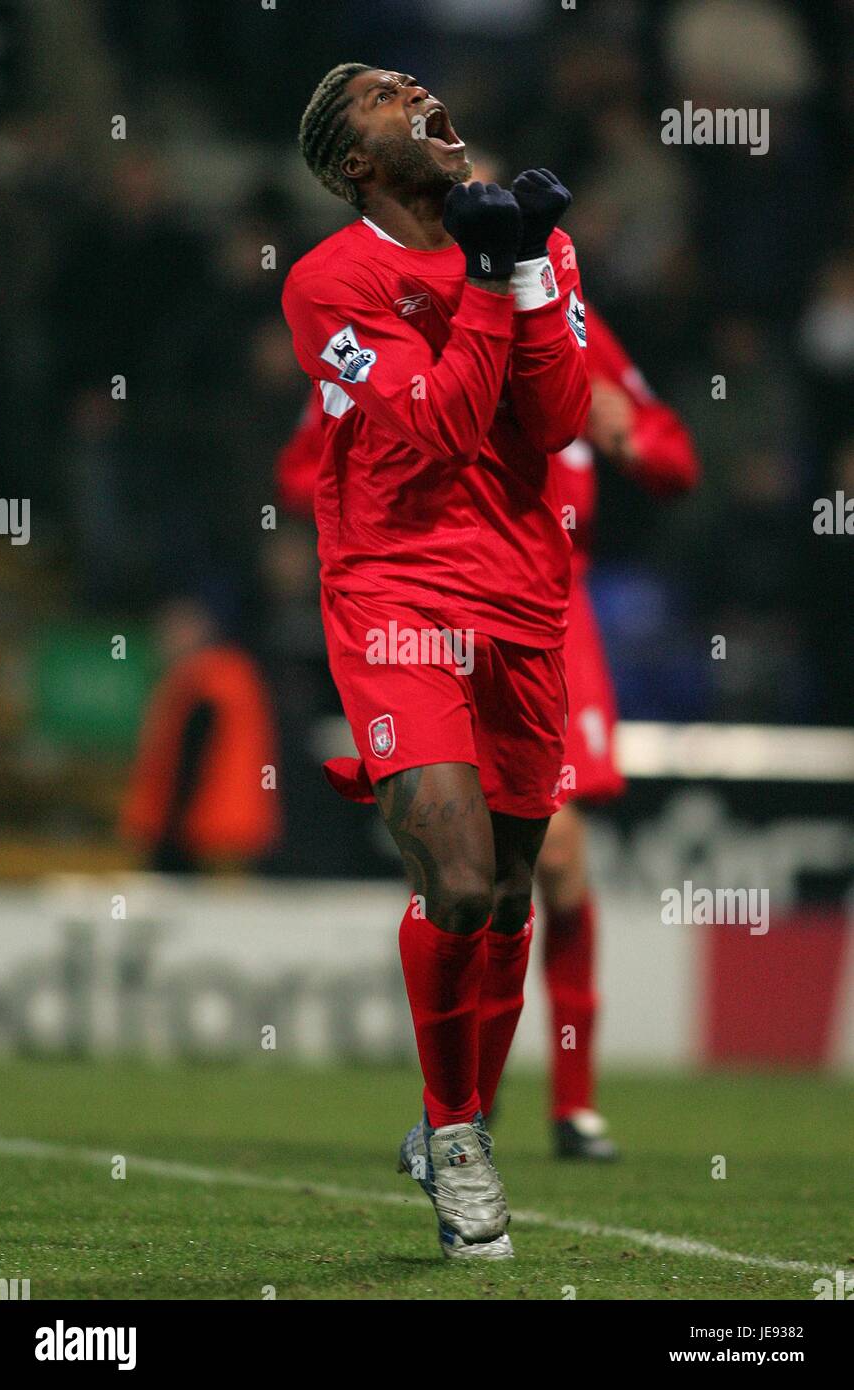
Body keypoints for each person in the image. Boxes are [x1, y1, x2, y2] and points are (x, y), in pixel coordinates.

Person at [281, 63, 590, 1260]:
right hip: (395, 589)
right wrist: (480, 274)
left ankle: (444, 1115)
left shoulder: (534, 246)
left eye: (407, 77)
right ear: (354, 162)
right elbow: (438, 427)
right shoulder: (327, 282)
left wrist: (520, 265)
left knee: (510, 893)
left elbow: (552, 420)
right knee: (457, 880)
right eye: (375, 92)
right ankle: (457, 1133)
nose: (408, 86)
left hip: (523, 596)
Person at [538, 310, 700, 1161]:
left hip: (556, 610)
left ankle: (573, 1103)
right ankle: (460, 1102)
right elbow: (310, 469)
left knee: (556, 853)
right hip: (449, 602)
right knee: (480, 865)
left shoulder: (574, 326)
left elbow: (677, 460)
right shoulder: (412, 311)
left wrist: (628, 440)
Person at [122, 598, 281, 873]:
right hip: (234, 830)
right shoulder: (232, 675)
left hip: (202, 835)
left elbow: (188, 764)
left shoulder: (204, 684)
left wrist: (167, 832)